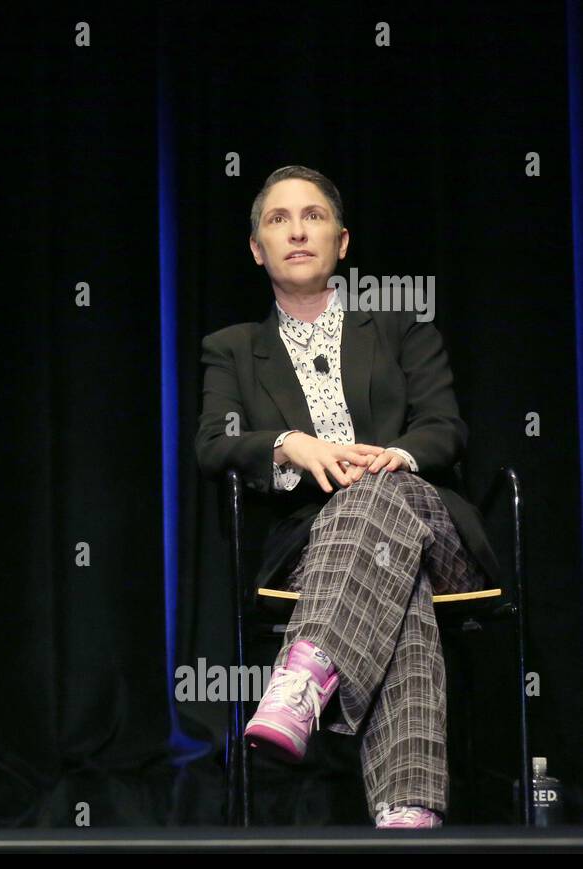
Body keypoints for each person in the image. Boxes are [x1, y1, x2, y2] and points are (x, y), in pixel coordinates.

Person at [194, 165, 499, 828]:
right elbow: (214, 445)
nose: (297, 230)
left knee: (376, 493)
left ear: (342, 241)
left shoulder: (398, 329)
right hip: (316, 552)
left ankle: (305, 678)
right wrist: (288, 445)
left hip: (432, 528)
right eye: (278, 220)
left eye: (313, 217)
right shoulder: (233, 349)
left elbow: (445, 426)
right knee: (398, 584)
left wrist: (397, 457)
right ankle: (408, 809)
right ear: (257, 248)